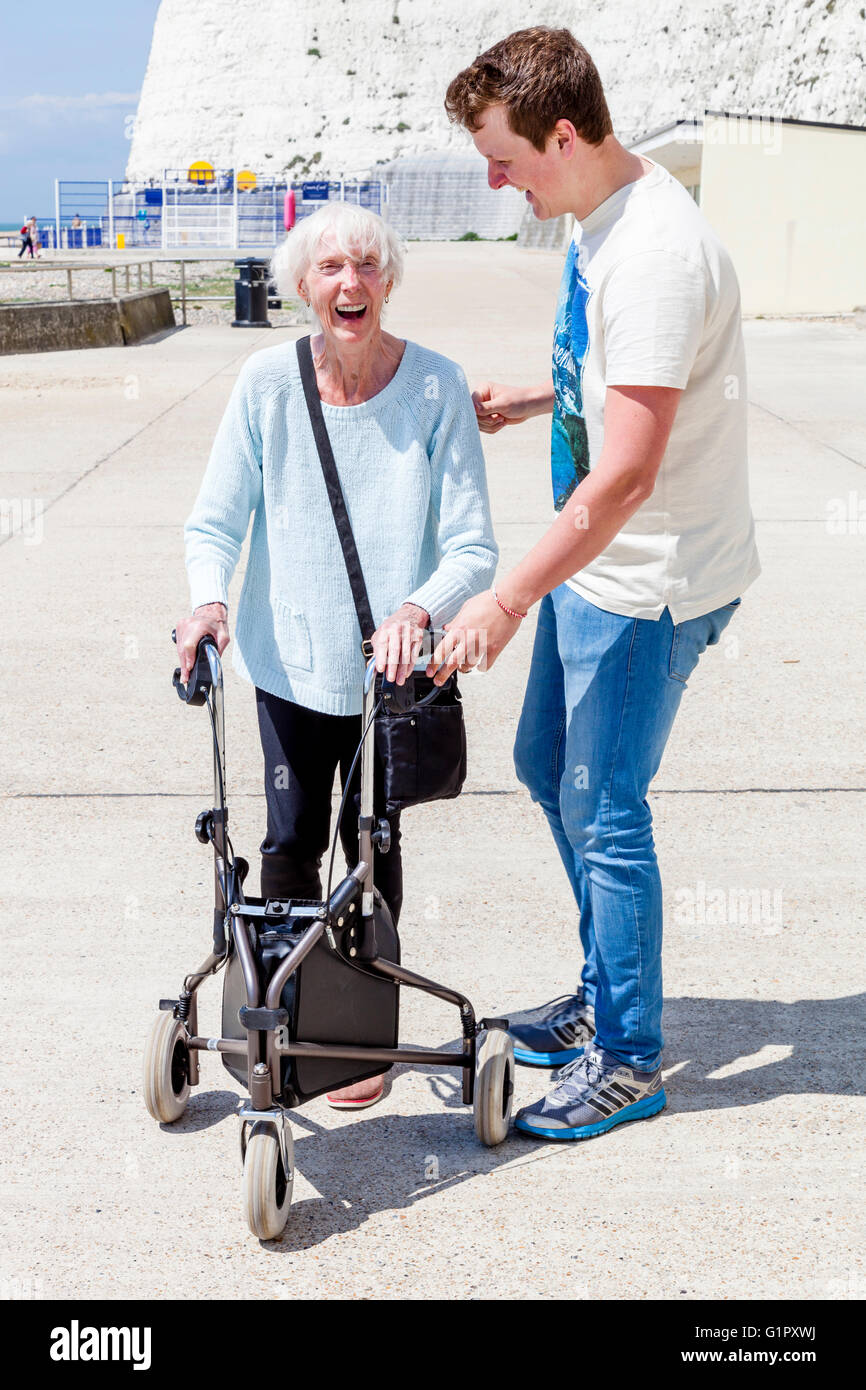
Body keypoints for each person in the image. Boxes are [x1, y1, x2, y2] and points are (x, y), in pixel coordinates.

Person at [436, 27, 760, 1141]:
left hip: (645, 578)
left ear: (563, 136)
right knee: (546, 767)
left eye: (504, 160)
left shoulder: (654, 254)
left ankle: (626, 1056)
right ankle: (602, 985)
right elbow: (628, 381)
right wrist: (538, 398)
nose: (496, 182)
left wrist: (505, 598)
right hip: (598, 559)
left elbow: (625, 475)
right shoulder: (597, 210)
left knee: (605, 806)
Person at [176, 201, 497, 1109]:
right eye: (330, 268)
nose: (349, 283)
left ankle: (360, 1040)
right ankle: (285, 1034)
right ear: (302, 285)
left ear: (387, 280)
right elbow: (215, 520)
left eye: (366, 265)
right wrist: (208, 599)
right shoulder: (266, 383)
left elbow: (472, 545)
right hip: (287, 661)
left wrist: (418, 609)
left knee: (371, 852)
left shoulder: (435, 386)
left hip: (388, 678)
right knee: (287, 846)